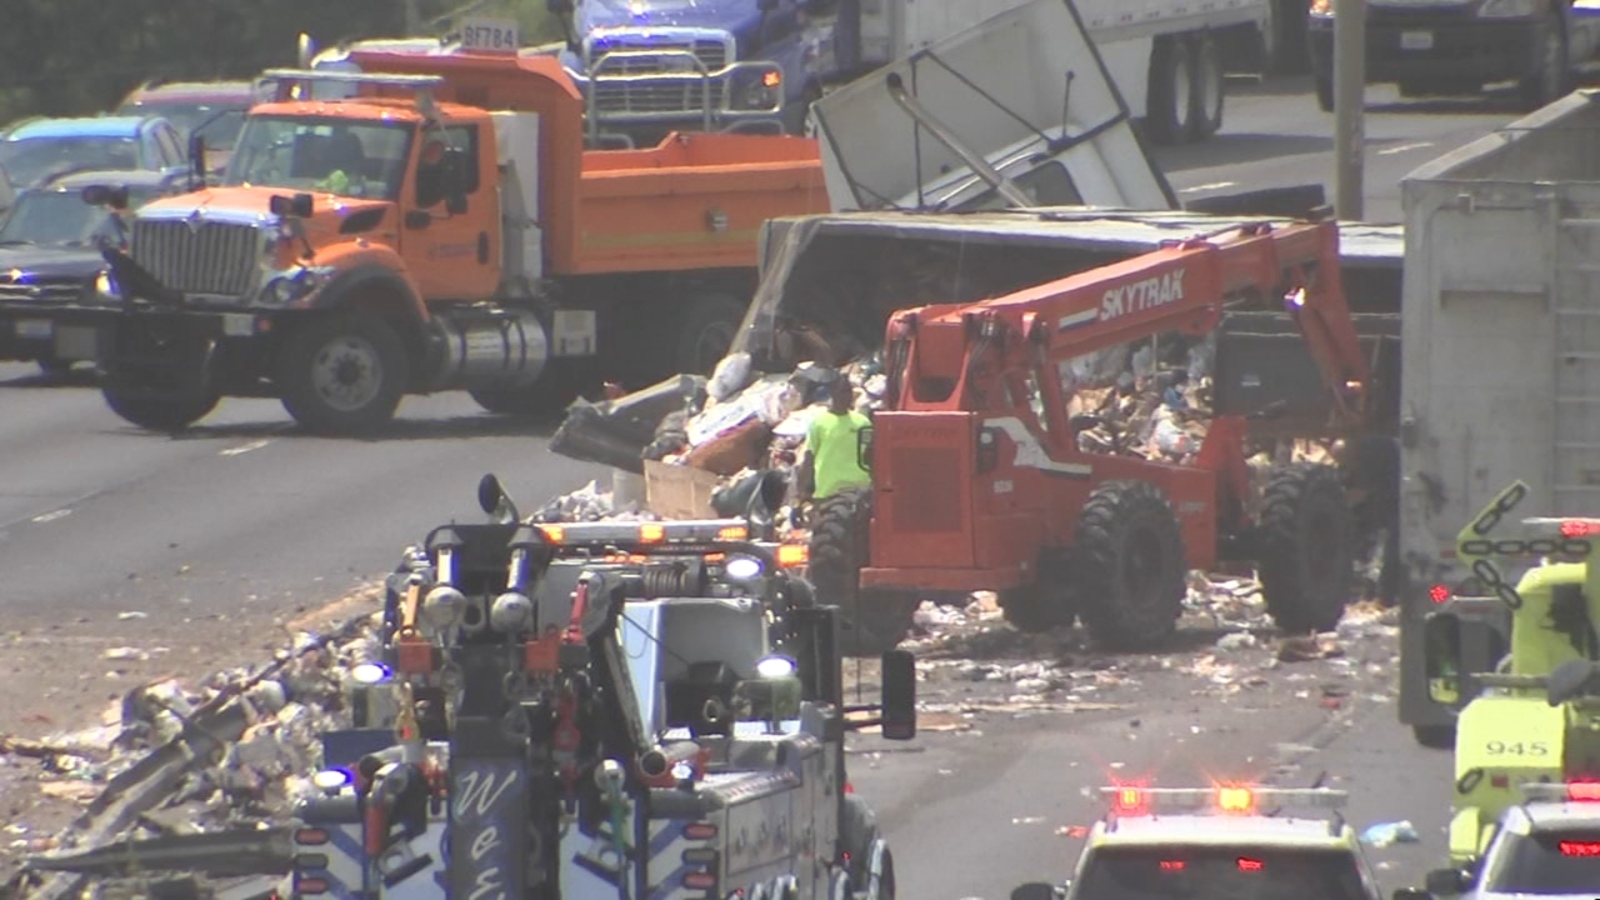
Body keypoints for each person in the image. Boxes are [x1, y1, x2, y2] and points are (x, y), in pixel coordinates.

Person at [798, 372, 872, 504]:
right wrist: (801, 495)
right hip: (828, 493)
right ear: (833, 393)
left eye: (848, 392)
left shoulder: (863, 423)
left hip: (859, 492)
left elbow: (872, 456)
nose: (846, 396)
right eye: (842, 392)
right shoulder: (819, 423)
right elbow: (809, 459)